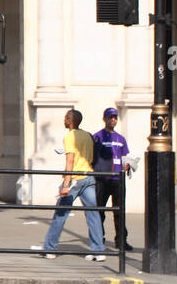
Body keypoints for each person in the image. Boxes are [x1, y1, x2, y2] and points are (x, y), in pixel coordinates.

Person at [34, 109, 105, 260]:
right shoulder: (88, 136)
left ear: (69, 120)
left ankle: (50, 248)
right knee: (93, 214)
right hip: (89, 177)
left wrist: (66, 184)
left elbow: (70, 161)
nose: (64, 120)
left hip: (74, 180)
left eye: (66, 118)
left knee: (60, 214)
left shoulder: (69, 137)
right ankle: (98, 250)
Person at [92, 106, 133, 251]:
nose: (113, 120)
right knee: (99, 210)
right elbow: (93, 157)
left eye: (115, 117)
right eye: (110, 117)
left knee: (119, 211)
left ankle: (121, 240)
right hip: (102, 179)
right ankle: (99, 238)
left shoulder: (121, 139)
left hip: (117, 179)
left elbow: (125, 157)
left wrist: (128, 164)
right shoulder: (97, 137)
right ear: (105, 119)